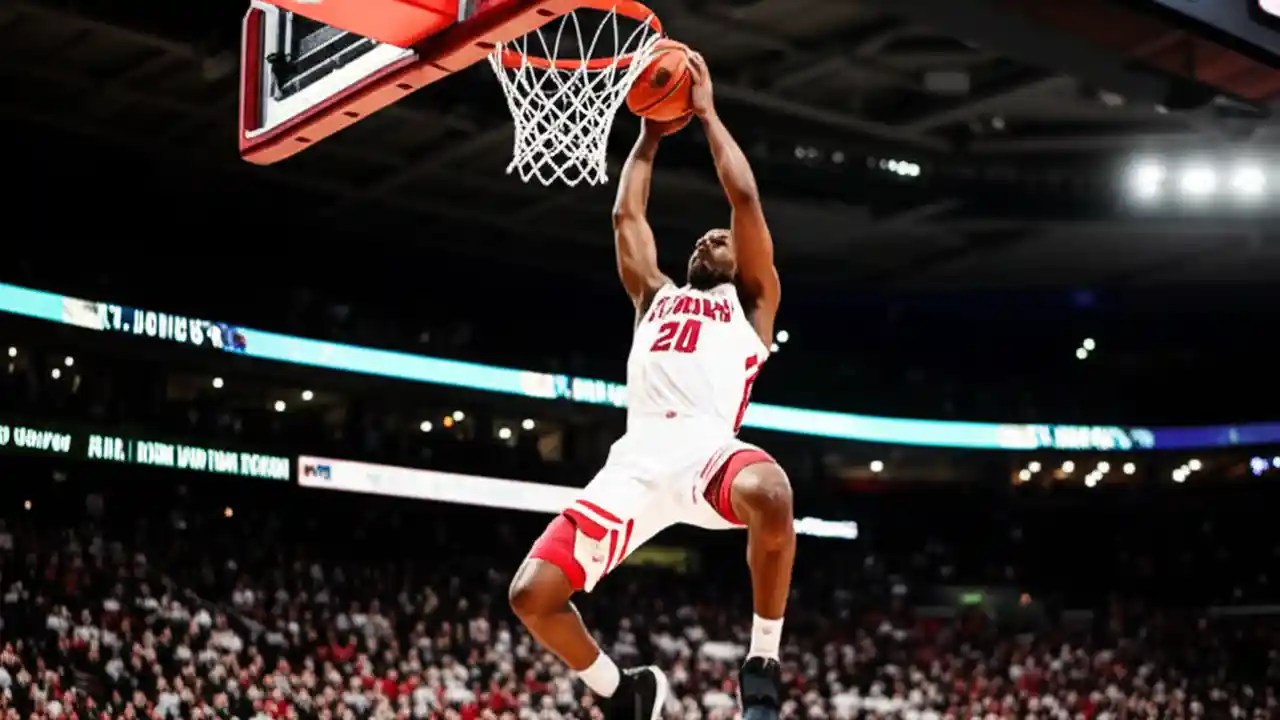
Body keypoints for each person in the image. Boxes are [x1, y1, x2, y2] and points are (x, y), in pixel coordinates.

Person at [507, 49, 793, 720]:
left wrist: (707, 113)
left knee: (774, 492)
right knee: (531, 595)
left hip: (707, 454)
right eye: (700, 239)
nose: (705, 242)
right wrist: (648, 135)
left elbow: (744, 199)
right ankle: (622, 691)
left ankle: (762, 663)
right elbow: (626, 222)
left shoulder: (753, 303)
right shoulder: (654, 297)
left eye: (718, 241)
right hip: (634, 464)